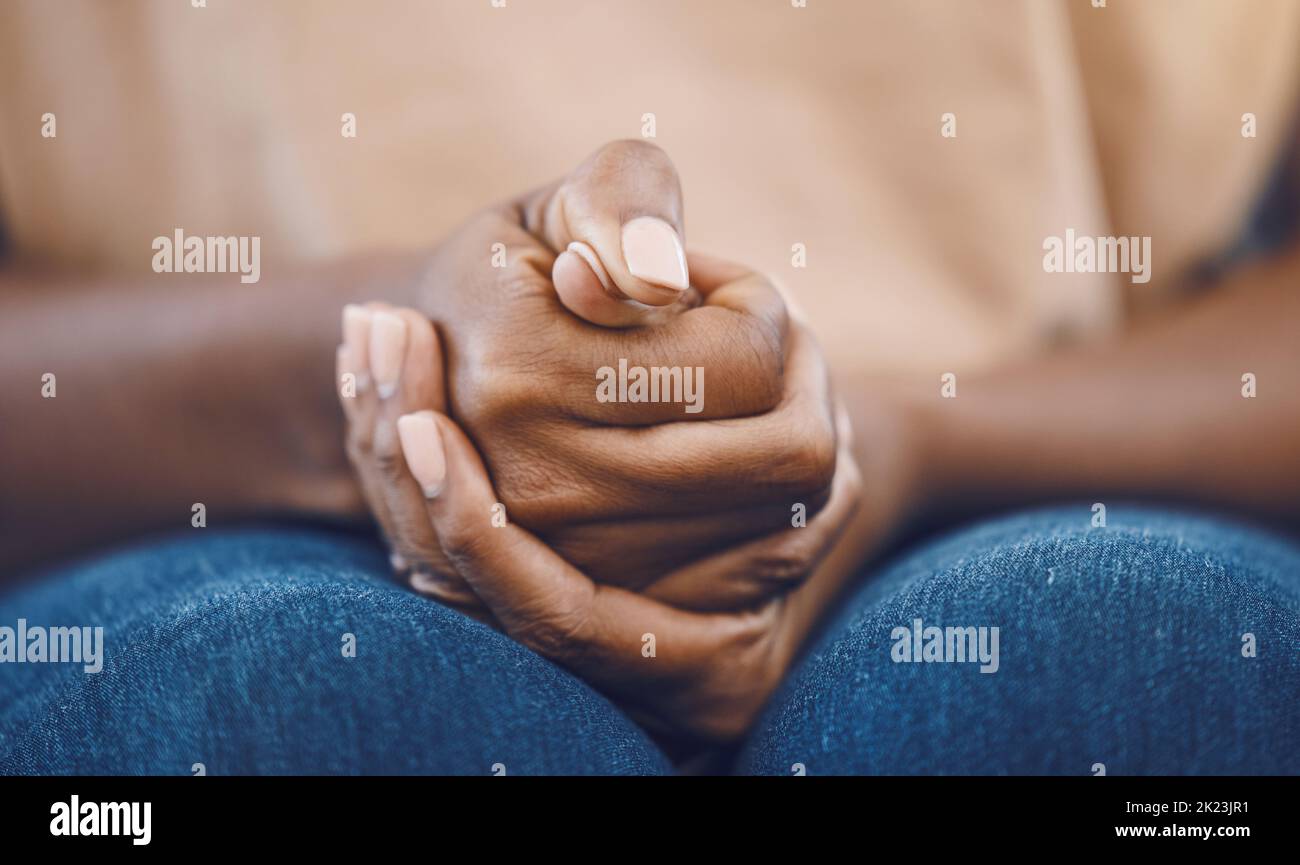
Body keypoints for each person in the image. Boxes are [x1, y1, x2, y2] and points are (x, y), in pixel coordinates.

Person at [1, 0, 1298, 774]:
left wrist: (895, 435)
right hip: (196, 470)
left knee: (1139, 664)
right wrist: (394, 371)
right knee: (297, 707)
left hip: (1049, 439)